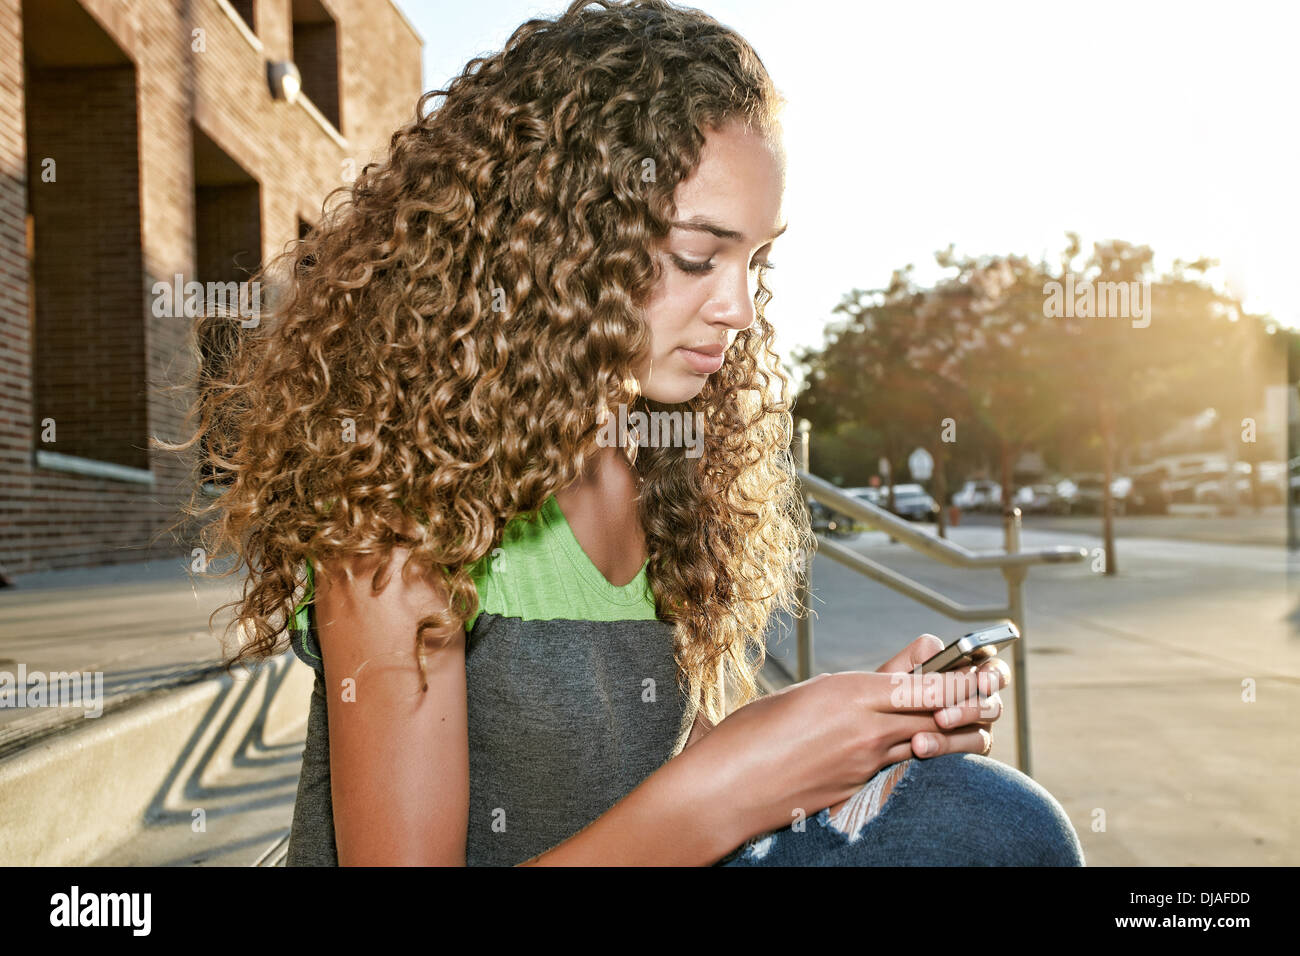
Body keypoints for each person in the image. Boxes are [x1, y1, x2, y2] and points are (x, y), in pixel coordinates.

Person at [174, 0, 1084, 866]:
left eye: (753, 261)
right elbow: (690, 807)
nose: (737, 310)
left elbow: (649, 782)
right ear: (557, 238)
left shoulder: (663, 462)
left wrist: (838, 734)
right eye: (697, 256)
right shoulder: (400, 508)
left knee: (993, 823)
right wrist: (739, 780)